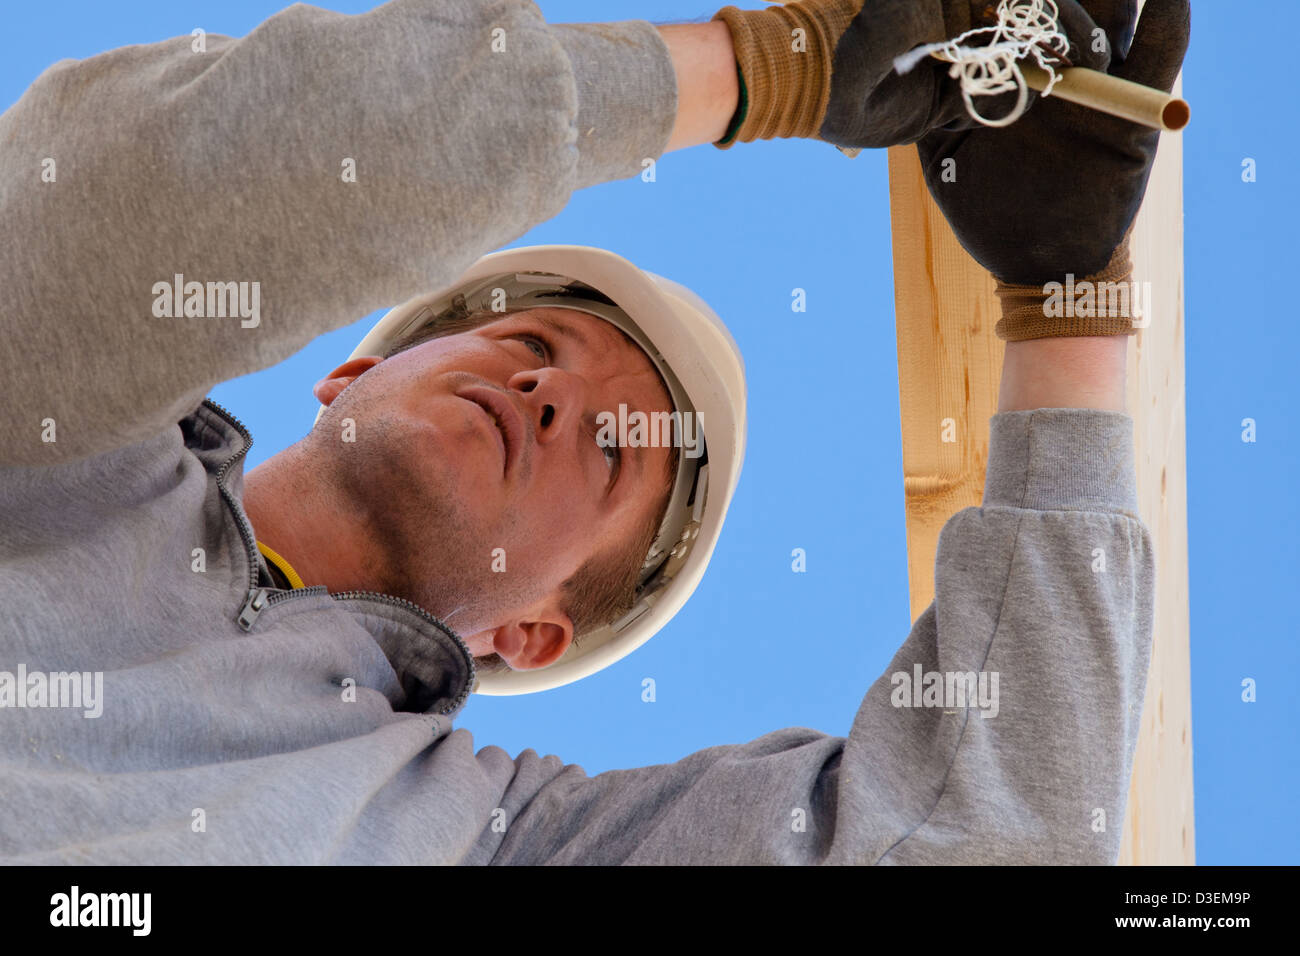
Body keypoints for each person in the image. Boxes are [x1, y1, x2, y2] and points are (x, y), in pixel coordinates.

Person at [0, 0, 1188, 863]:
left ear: (534, 627)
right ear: (351, 372)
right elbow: (139, 194)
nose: (550, 397)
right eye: (526, 348)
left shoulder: (490, 844)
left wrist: (1063, 312)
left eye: (609, 447)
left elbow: (982, 839)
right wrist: (758, 72)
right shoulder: (69, 445)